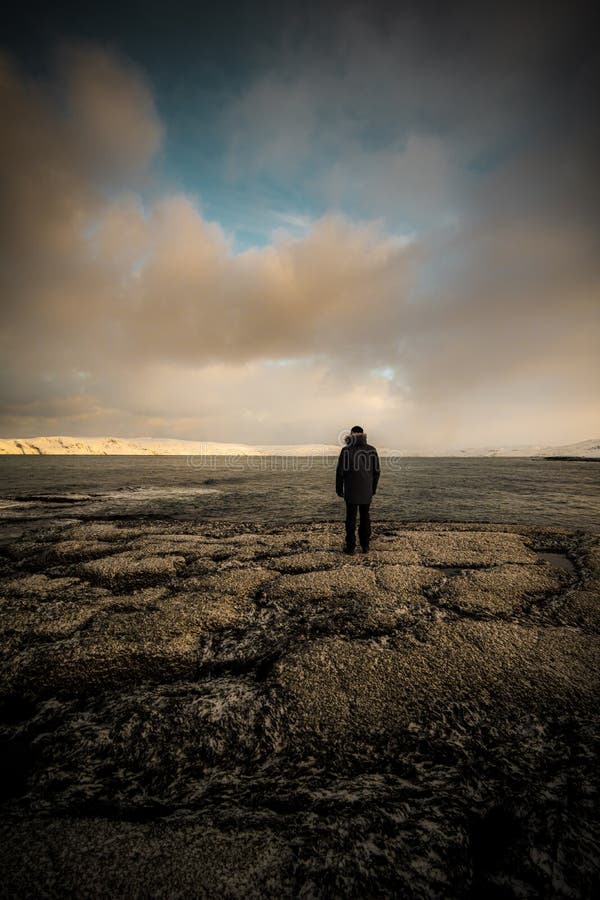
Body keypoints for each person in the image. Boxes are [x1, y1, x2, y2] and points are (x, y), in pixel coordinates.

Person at [335, 425, 380, 554]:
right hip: (366, 490)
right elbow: (376, 472)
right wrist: (373, 489)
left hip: (351, 490)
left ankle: (351, 547)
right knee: (365, 517)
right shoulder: (372, 450)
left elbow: (340, 472)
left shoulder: (346, 450)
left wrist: (339, 489)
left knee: (351, 518)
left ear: (351, 434)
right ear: (363, 434)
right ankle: (365, 546)